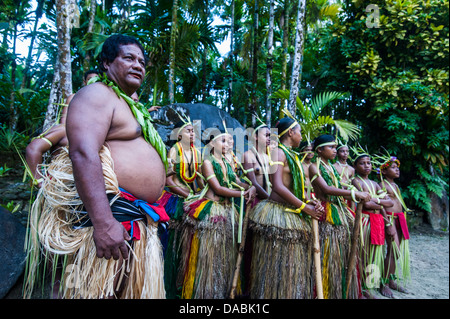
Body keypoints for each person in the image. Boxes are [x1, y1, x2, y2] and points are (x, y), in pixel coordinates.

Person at [24, 34, 169, 299]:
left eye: (142, 62)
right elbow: (82, 152)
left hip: (133, 218)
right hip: (109, 219)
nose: (138, 65)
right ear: (106, 62)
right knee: (92, 292)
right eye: (128, 58)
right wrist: (103, 223)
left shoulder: (126, 104)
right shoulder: (96, 95)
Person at [248, 116, 324, 299]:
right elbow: (278, 187)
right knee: (275, 266)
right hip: (278, 213)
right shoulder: (278, 153)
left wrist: (310, 200)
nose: (301, 137)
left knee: (290, 266)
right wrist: (305, 208)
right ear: (290, 132)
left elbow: (296, 185)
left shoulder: (293, 155)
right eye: (299, 132)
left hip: (292, 212)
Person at [178, 127, 256, 299]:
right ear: (212, 143)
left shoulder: (228, 163)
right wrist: (243, 194)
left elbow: (236, 181)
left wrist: (249, 187)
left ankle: (225, 290)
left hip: (227, 211)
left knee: (225, 256)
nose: (228, 144)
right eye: (223, 141)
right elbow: (218, 188)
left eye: (229, 141)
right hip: (212, 210)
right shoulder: (207, 163)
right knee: (209, 257)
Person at [309, 134, 370, 299]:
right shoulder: (314, 166)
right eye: (332, 147)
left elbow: (337, 185)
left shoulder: (330, 166)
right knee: (327, 256)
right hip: (327, 214)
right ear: (320, 149)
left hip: (339, 211)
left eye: (336, 147)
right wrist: (354, 192)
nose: (335, 151)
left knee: (342, 254)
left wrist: (358, 193)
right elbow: (327, 189)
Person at [159, 116, 204, 298]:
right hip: (175, 199)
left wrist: (203, 192)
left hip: (190, 197)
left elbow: (199, 177)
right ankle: (166, 287)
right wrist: (189, 196)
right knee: (172, 244)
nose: (192, 133)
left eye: (193, 130)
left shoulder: (196, 152)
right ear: (178, 135)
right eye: (188, 130)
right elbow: (169, 180)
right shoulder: (174, 151)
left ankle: (183, 285)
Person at [351, 151, 395, 298]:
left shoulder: (375, 184)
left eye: (368, 163)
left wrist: (376, 202)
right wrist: (377, 201)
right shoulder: (355, 181)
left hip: (377, 221)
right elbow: (365, 204)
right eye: (362, 163)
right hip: (364, 220)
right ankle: (362, 288)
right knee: (363, 253)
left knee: (375, 253)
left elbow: (389, 203)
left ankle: (370, 285)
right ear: (355, 166)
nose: (366, 166)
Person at [378, 155, 410, 296]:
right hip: (389, 219)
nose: (397, 170)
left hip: (399, 219)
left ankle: (390, 280)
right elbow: (381, 205)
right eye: (393, 167)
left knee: (395, 252)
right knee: (393, 250)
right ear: (384, 171)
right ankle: (384, 283)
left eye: (397, 167)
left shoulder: (395, 185)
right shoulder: (382, 185)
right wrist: (387, 222)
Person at [242, 123, 272, 201]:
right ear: (255, 136)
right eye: (266, 135)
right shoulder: (248, 155)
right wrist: (269, 199)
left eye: (269, 136)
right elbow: (253, 183)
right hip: (255, 201)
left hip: (270, 201)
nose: (269, 138)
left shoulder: (268, 157)